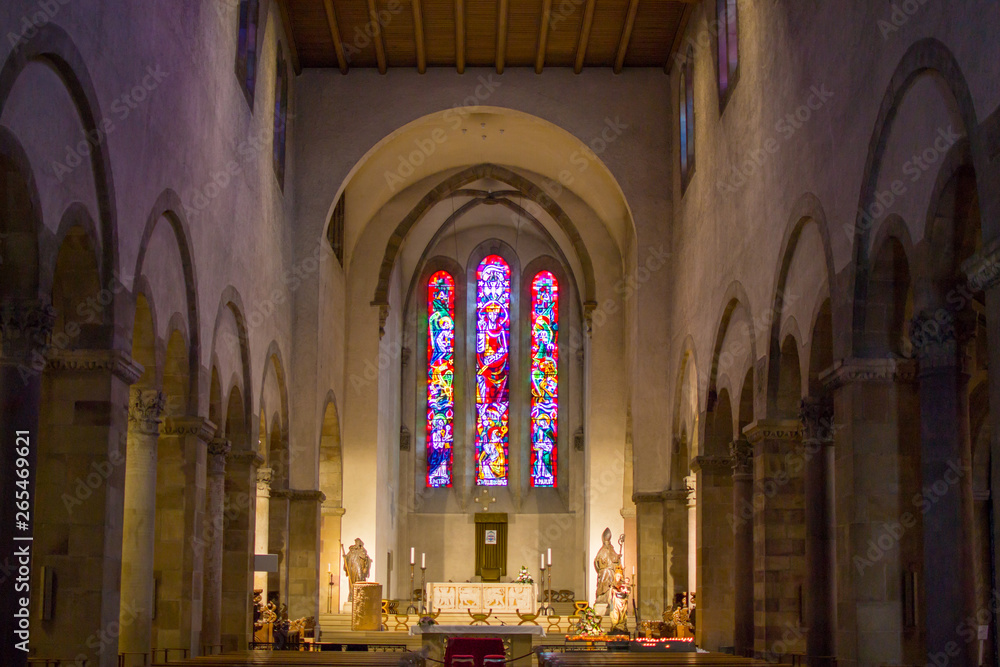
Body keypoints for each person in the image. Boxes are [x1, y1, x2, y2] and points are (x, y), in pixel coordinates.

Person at [593, 527, 622, 606]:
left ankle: (610, 598)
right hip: (605, 572)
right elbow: (597, 561)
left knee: (613, 583)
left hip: (611, 571)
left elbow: (614, 558)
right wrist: (602, 564)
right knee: (604, 578)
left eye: (608, 542)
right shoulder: (602, 550)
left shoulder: (611, 549)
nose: (607, 544)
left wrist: (617, 557)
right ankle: (602, 597)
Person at [343, 538, 371, 602]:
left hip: (358, 567)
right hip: (352, 567)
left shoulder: (362, 551)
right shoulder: (351, 551)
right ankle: (352, 595)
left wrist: (365, 562)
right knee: (352, 581)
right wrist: (345, 557)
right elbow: (347, 558)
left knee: (359, 579)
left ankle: (359, 595)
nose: (357, 544)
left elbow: (364, 558)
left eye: (358, 542)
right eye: (356, 542)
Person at [608, 566, 632, 634]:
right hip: (616, 601)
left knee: (622, 615)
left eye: (619, 576)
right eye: (617, 576)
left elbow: (627, 591)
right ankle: (615, 625)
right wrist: (614, 591)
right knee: (615, 614)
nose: (618, 577)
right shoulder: (613, 585)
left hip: (622, 602)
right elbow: (611, 593)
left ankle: (621, 625)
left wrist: (625, 591)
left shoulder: (623, 585)